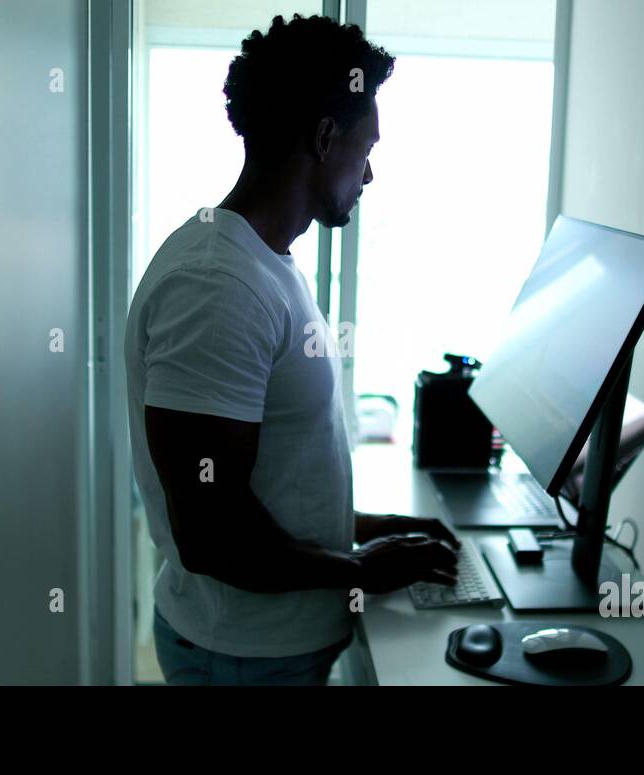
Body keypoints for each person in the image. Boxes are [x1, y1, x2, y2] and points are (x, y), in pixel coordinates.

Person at [125, 14, 460, 686]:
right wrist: (362, 567)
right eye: (366, 147)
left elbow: (270, 480)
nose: (369, 172)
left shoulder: (265, 265)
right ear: (325, 136)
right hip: (243, 657)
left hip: (265, 648)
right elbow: (211, 531)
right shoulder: (216, 286)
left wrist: (369, 526)